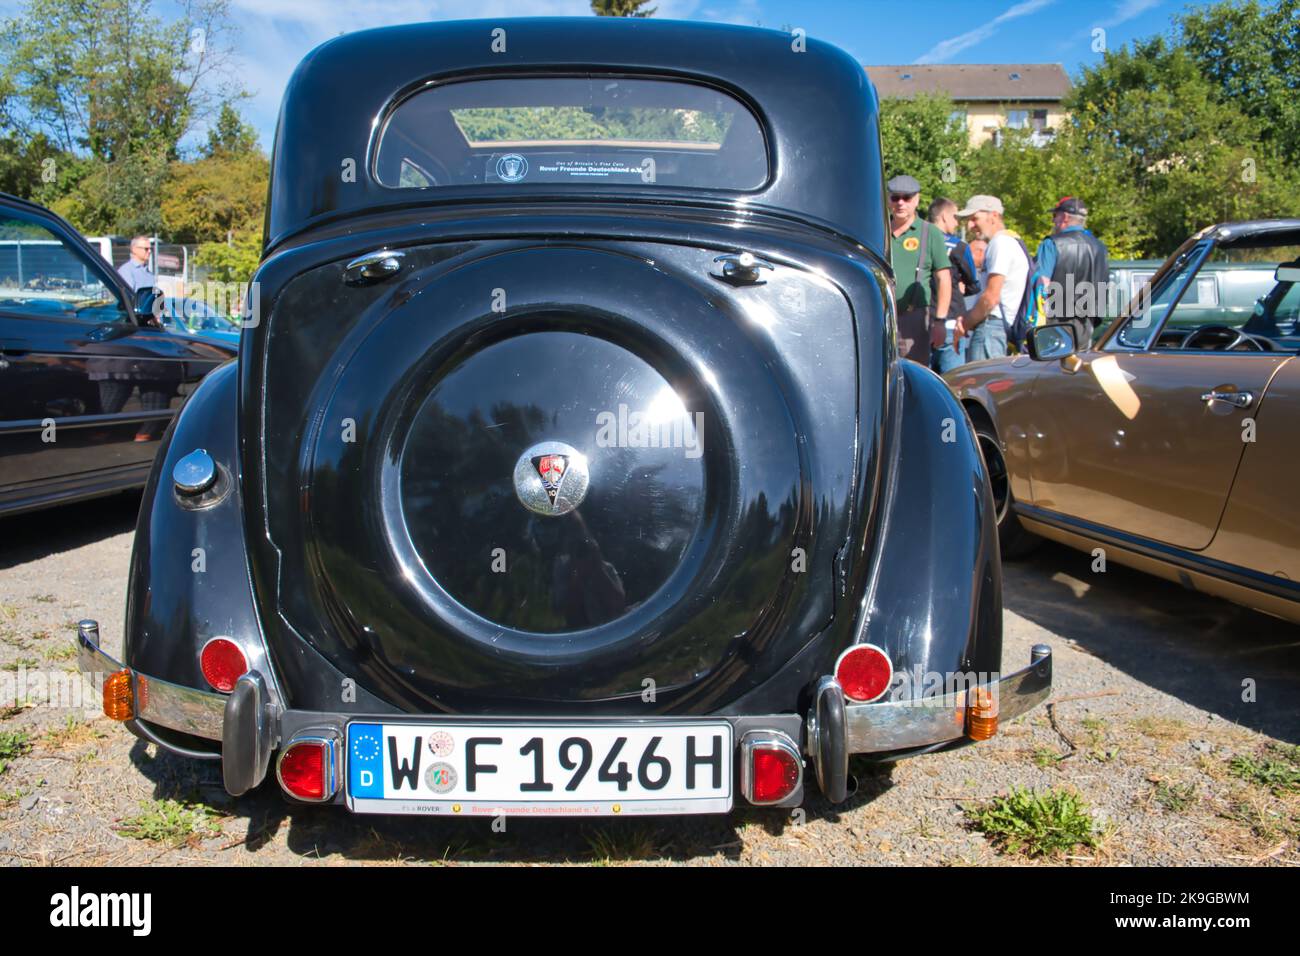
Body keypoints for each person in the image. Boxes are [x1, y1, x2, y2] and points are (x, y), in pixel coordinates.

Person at [955, 195, 1028, 363]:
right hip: (999, 328)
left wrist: (964, 324)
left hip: (991, 328)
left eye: (975, 218)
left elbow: (991, 298)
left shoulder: (1000, 243)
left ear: (993, 216)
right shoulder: (1013, 241)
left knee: (980, 387)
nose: (970, 226)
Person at [886, 174, 951, 365]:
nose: (900, 203)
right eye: (895, 197)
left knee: (911, 378)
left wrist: (940, 321)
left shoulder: (929, 232)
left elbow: (944, 279)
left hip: (913, 319)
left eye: (906, 198)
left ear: (916, 200)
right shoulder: (878, 230)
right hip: (881, 318)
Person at [1036, 196, 1109, 350]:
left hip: (1056, 321)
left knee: (1052, 369)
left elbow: (1043, 284)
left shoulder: (1052, 243)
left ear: (1065, 217)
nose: (1053, 221)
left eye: (1054, 216)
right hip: (1087, 323)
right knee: (1079, 368)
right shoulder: (1100, 248)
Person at [927, 197, 981, 373]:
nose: (957, 223)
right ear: (944, 216)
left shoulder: (916, 243)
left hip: (921, 323)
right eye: (955, 217)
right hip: (951, 322)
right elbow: (973, 282)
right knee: (954, 385)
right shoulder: (958, 246)